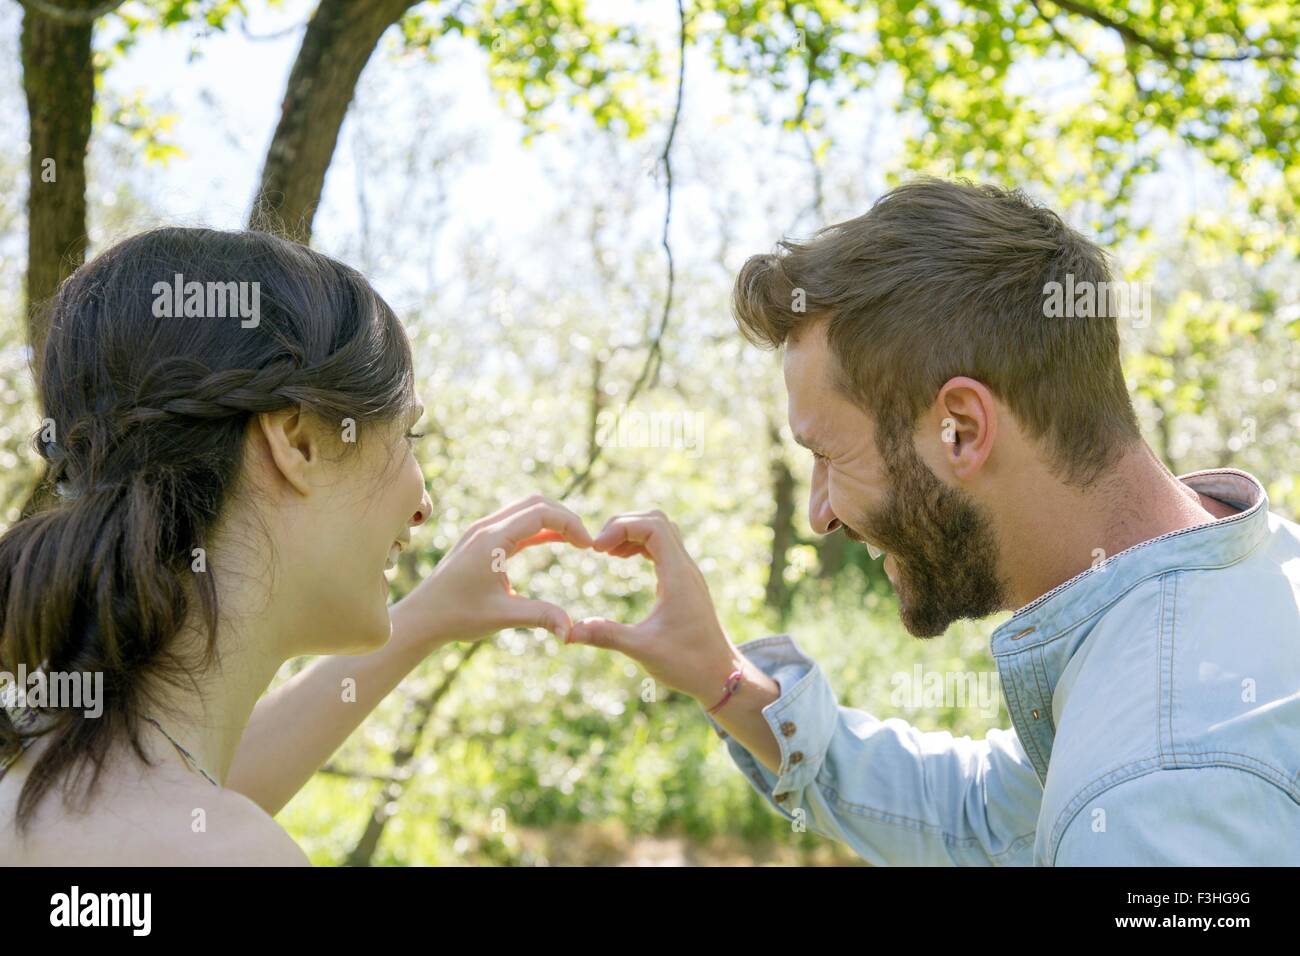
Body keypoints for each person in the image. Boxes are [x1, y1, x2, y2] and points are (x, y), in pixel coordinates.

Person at [568, 178, 1300, 865]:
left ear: (960, 429)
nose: (821, 513)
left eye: (828, 454)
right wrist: (723, 676)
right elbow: (988, 818)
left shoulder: (1160, 789)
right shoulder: (1236, 583)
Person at [0, 227, 592, 864]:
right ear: (301, 439)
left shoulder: (46, 773)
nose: (424, 505)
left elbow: (191, 786)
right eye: (408, 435)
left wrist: (426, 617)